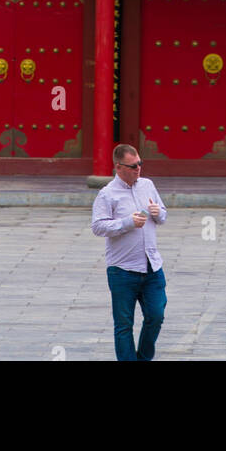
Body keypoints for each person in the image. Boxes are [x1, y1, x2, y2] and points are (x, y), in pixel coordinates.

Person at [91, 143, 168, 361]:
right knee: (124, 324)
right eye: (133, 166)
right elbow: (97, 226)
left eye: (140, 164)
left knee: (156, 316)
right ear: (119, 167)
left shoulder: (148, 185)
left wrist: (157, 212)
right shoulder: (107, 194)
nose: (138, 169)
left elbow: (163, 215)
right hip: (122, 269)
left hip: (152, 265)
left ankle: (143, 357)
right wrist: (127, 222)